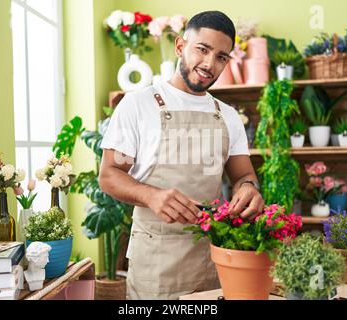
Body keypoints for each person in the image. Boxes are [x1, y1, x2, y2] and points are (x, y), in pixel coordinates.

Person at [100, 10, 264, 300]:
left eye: (221, 57)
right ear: (180, 46)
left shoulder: (227, 116)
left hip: (212, 259)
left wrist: (249, 188)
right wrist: (151, 195)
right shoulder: (138, 105)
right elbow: (110, 174)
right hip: (155, 261)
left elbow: (243, 175)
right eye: (202, 49)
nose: (209, 64)